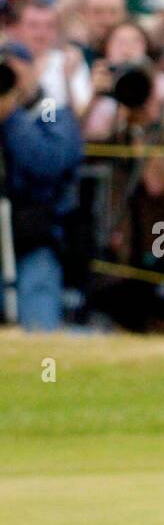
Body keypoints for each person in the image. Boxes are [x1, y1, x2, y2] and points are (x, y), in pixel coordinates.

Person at [0, 41, 85, 330]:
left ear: (34, 70)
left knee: (39, 330)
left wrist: (11, 117)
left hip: (35, 239)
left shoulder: (52, 113)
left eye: (12, 71)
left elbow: (50, 163)